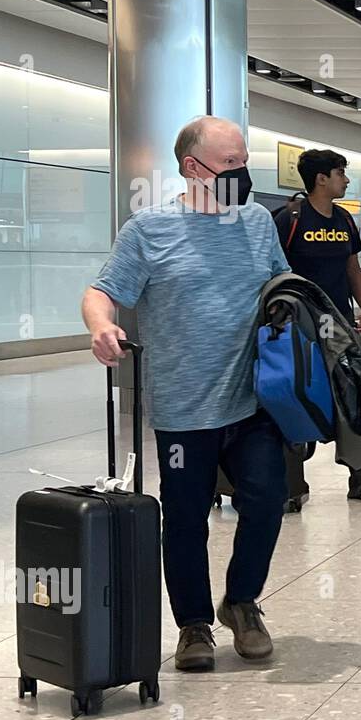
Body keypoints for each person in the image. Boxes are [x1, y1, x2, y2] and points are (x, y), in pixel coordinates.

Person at [82, 116, 293, 672]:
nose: (241, 172)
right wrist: (101, 326)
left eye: (244, 160)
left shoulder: (257, 223)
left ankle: (242, 602)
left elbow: (283, 288)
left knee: (269, 502)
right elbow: (102, 291)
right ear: (191, 168)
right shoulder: (149, 229)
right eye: (229, 163)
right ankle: (194, 624)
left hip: (255, 400)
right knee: (184, 519)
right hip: (183, 405)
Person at [275, 148, 361, 499]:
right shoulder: (290, 219)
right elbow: (274, 272)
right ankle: (293, 478)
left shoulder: (344, 219)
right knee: (297, 393)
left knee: (348, 391)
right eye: (340, 173)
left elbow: (352, 266)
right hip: (298, 325)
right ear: (321, 178)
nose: (346, 180)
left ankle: (357, 470)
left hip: (338, 322)